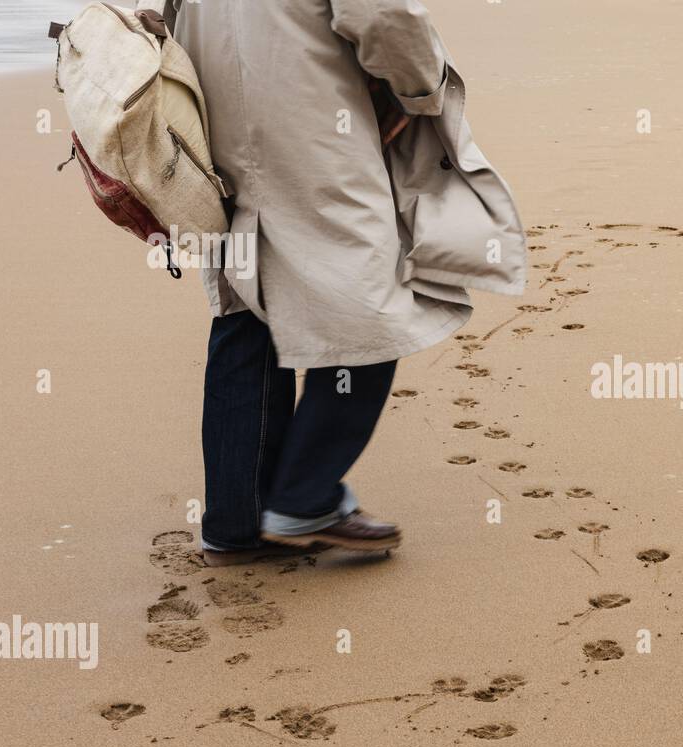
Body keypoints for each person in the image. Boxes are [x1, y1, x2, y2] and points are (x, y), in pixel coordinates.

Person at [144, 0, 527, 565]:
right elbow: (384, 15)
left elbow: (164, 17)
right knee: (368, 304)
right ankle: (304, 499)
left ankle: (237, 523)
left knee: (245, 305)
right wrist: (419, 91)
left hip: (212, 125)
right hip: (312, 117)